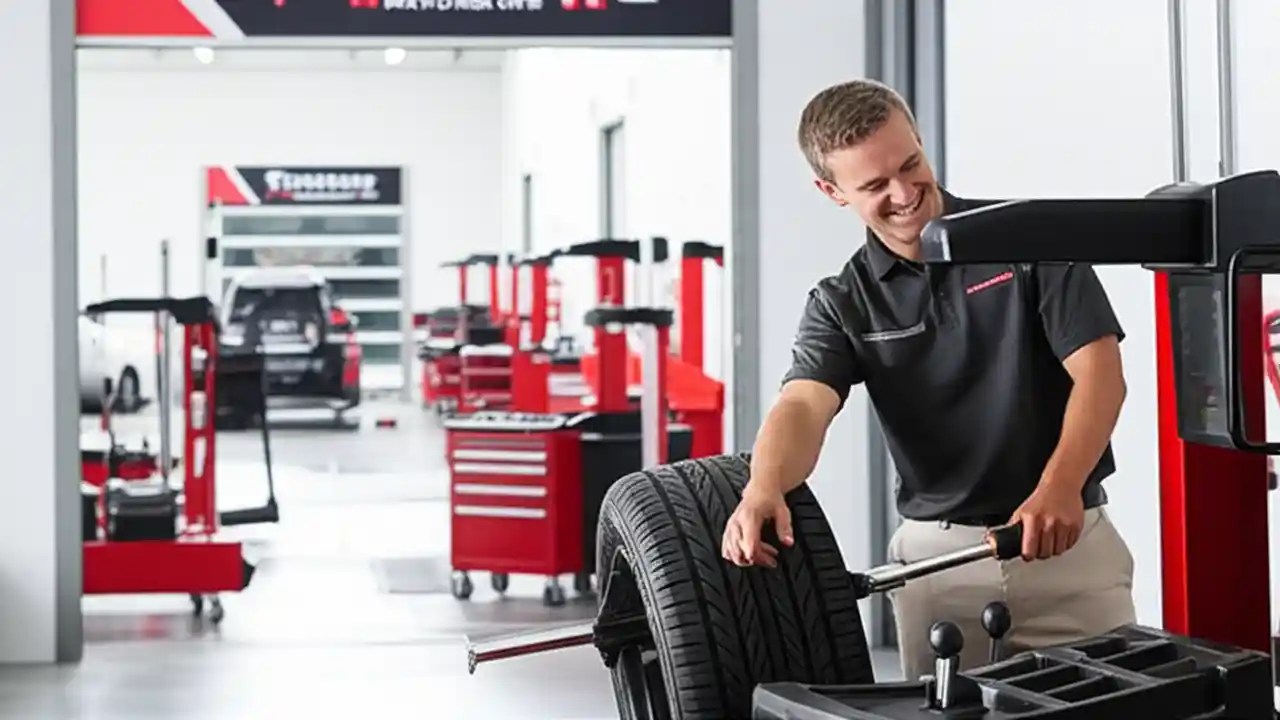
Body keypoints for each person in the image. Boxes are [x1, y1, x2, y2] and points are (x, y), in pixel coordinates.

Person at [719, 78, 1137, 680]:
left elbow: (1099, 374)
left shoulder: (1032, 240)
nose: (905, 193)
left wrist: (1061, 484)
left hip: (1069, 546)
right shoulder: (842, 302)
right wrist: (763, 486)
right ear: (831, 191)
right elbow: (804, 406)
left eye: (910, 163)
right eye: (874, 185)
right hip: (939, 565)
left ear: (919, 138)